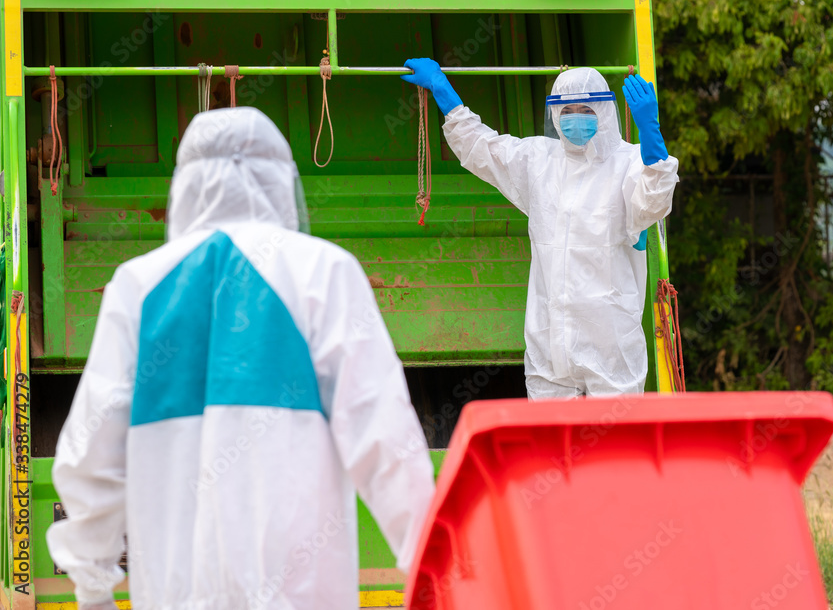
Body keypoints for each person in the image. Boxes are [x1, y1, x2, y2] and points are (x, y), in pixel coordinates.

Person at [46, 107, 435, 610]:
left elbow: (91, 453)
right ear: (280, 178)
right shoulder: (324, 272)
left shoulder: (137, 286)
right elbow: (386, 441)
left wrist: (92, 585)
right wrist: (432, 570)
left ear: (184, 183)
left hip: (174, 594)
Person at [402, 59, 679, 399]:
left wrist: (652, 140)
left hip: (611, 349)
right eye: (566, 110)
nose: (575, 118)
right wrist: (444, 92)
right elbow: (483, 149)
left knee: (613, 448)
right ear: (554, 115)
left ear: (605, 112)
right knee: (550, 448)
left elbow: (653, 203)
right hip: (550, 348)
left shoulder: (629, 164)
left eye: (586, 109)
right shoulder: (539, 160)